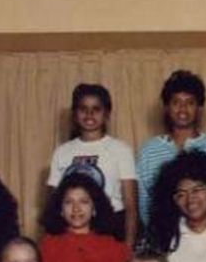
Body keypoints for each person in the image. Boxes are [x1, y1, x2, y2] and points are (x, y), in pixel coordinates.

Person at [136, 70, 206, 229]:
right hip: (164, 233)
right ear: (166, 107)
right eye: (176, 102)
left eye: (190, 102)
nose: (183, 109)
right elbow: (144, 200)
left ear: (199, 108)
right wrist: (155, 233)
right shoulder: (149, 150)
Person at [47, 83, 138, 246]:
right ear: (74, 114)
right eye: (83, 109)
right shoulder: (62, 152)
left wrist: (128, 247)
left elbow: (131, 206)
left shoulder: (121, 150)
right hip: (72, 228)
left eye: (96, 109)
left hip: (111, 226)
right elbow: (53, 203)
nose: (89, 114)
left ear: (107, 114)